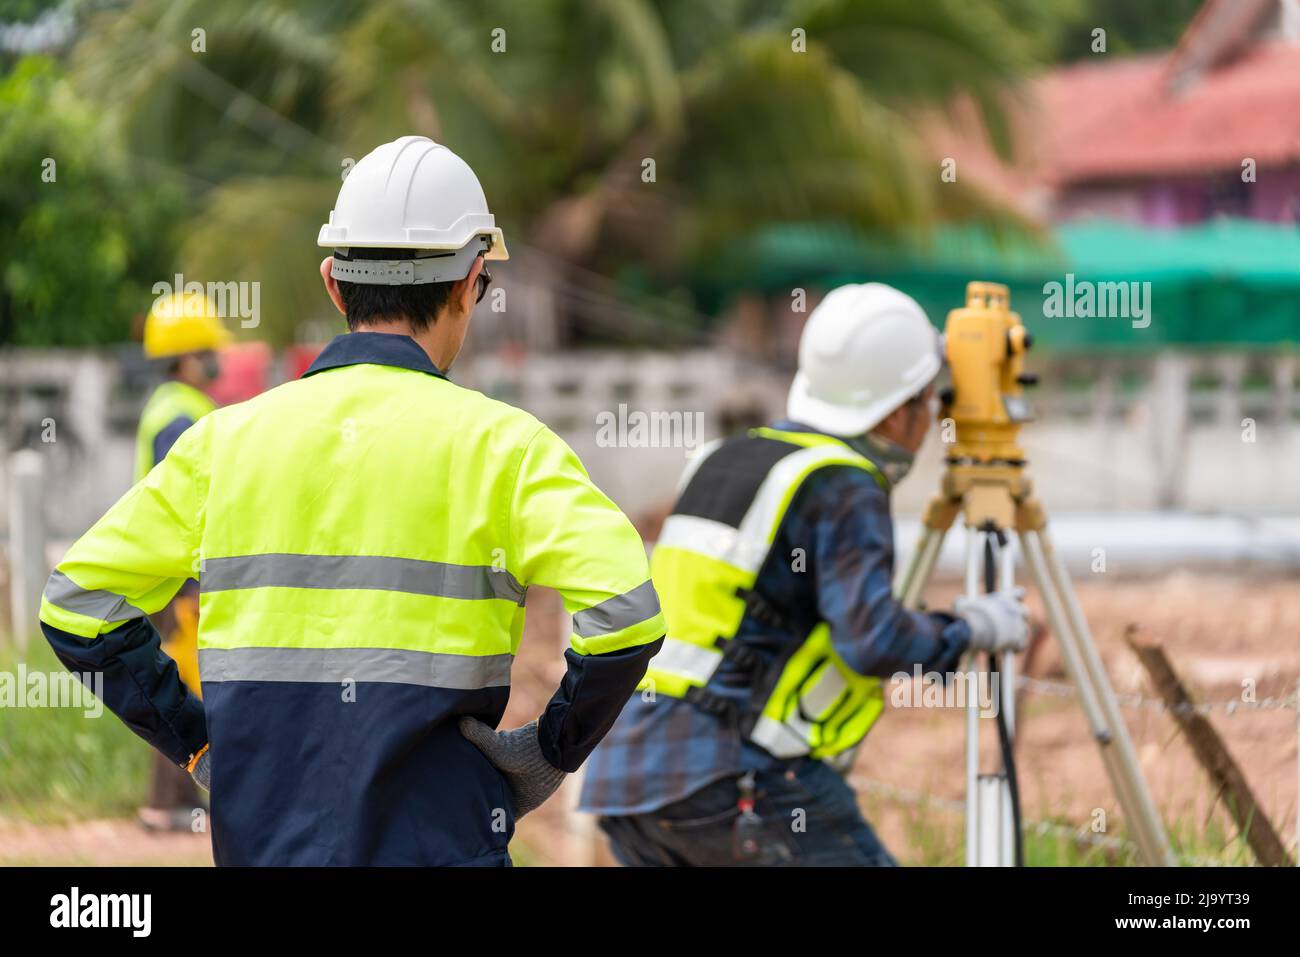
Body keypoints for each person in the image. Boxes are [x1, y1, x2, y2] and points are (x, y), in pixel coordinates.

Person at [39, 135, 665, 865]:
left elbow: (74, 606)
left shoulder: (222, 445)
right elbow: (627, 614)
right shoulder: (509, 450)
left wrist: (200, 743)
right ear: (469, 282)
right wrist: (547, 751)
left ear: (335, 284)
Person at [578, 283, 1027, 866]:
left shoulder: (725, 457)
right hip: (731, 777)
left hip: (626, 777)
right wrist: (969, 629)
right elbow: (874, 641)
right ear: (897, 411)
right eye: (927, 399)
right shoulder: (842, 485)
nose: (933, 415)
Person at [133, 291, 229, 832]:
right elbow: (185, 504)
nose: (215, 360)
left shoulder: (171, 406)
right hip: (178, 579)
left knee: (179, 681)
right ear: (188, 356)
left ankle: (171, 802)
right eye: (208, 351)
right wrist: (194, 582)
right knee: (187, 683)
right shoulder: (181, 414)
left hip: (167, 574)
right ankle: (170, 804)